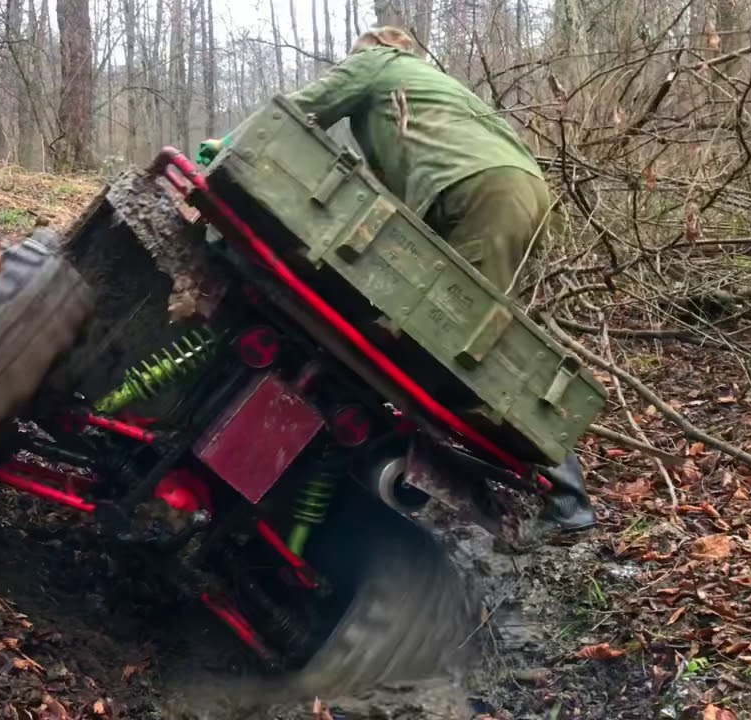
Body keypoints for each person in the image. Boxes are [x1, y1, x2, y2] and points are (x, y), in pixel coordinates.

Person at [197, 27, 594, 533]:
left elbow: (298, 111)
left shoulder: (376, 65)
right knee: (472, 339)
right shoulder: (431, 89)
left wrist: (224, 146)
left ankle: (563, 497)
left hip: (479, 191)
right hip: (517, 188)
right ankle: (513, 479)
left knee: (467, 354)